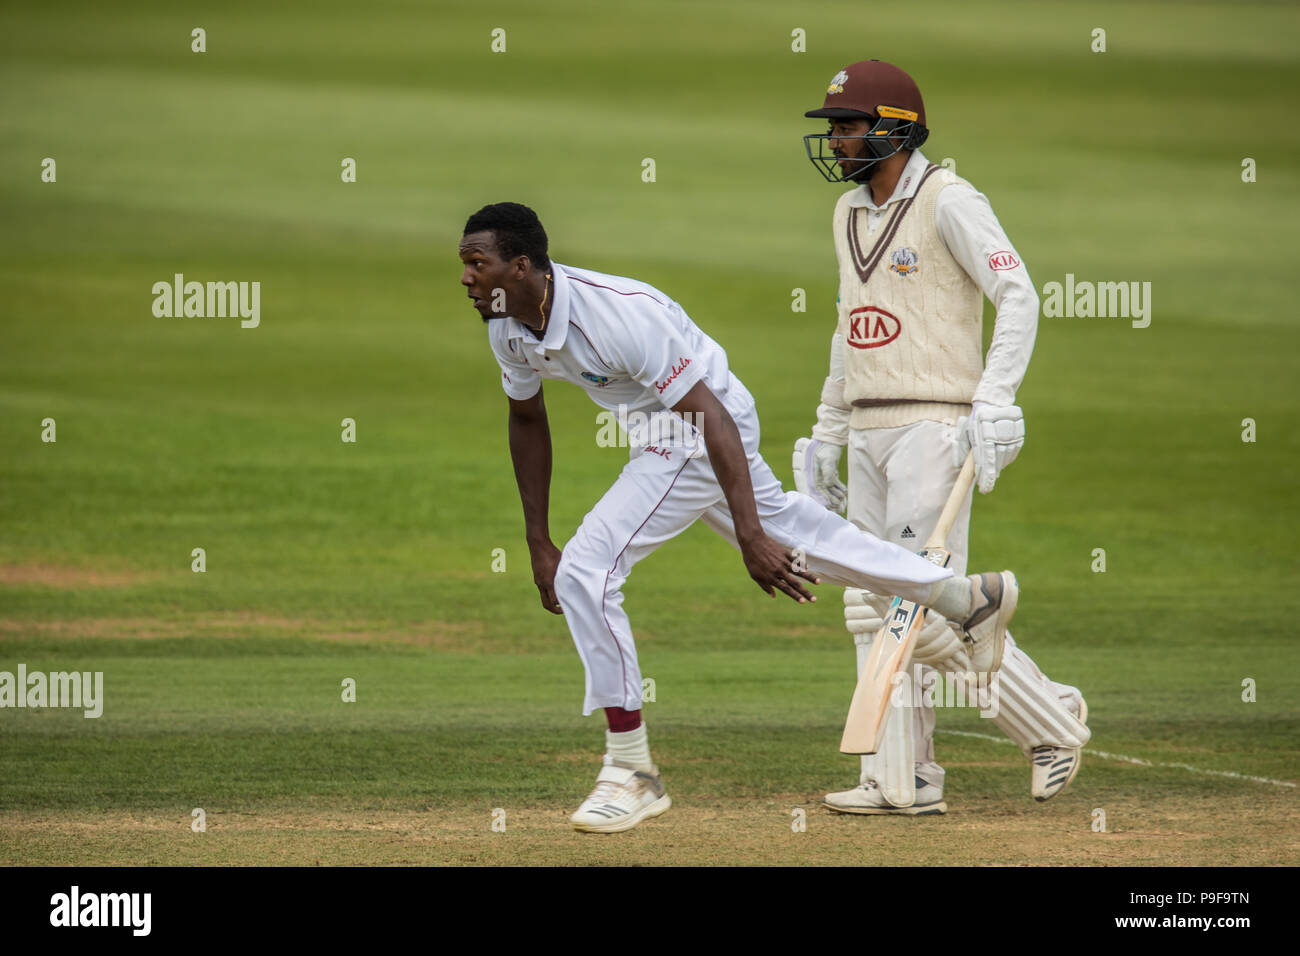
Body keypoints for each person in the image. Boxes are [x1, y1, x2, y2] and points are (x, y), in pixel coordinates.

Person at [460, 201, 1018, 832]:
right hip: (664, 429)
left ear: (522, 265)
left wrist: (748, 536)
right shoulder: (507, 323)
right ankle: (963, 598)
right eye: (464, 265)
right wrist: (537, 538)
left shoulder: (615, 315)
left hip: (702, 426)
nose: (466, 278)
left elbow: (709, 418)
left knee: (586, 573)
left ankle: (631, 770)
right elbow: (527, 420)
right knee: (794, 533)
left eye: (478, 264)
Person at [794, 60, 1090, 815]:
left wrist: (993, 399)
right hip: (867, 421)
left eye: (848, 126)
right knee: (871, 602)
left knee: (913, 605)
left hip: (934, 420)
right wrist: (827, 430)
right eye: (832, 128)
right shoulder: (848, 214)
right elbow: (847, 326)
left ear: (895, 127)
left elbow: (1017, 289)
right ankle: (902, 778)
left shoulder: (948, 198)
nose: (836, 141)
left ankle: (1051, 722)